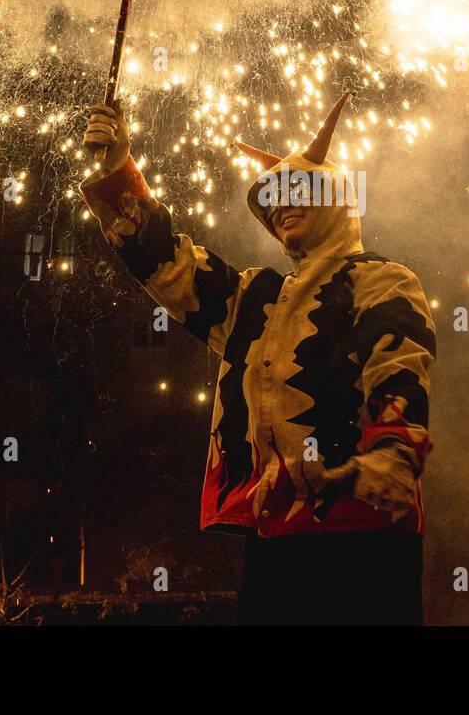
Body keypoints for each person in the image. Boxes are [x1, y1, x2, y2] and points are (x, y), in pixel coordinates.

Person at [79, 91, 436, 625]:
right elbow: (169, 266)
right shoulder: (256, 299)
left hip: (361, 531)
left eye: (299, 189)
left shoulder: (382, 279)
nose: (281, 203)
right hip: (274, 535)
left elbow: (398, 372)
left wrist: (388, 457)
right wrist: (118, 166)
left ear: (336, 198)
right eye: (273, 197)